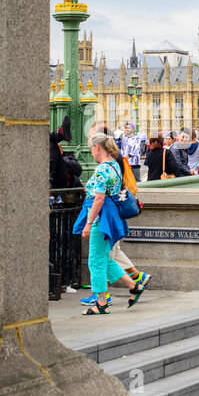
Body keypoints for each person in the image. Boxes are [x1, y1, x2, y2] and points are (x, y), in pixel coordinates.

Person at [73, 134, 138, 315]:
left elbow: (99, 198)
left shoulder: (102, 169)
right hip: (110, 217)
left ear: (97, 147)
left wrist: (88, 223)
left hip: (100, 219)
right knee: (105, 259)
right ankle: (133, 285)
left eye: (91, 149)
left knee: (95, 261)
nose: (91, 153)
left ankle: (102, 302)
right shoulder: (115, 166)